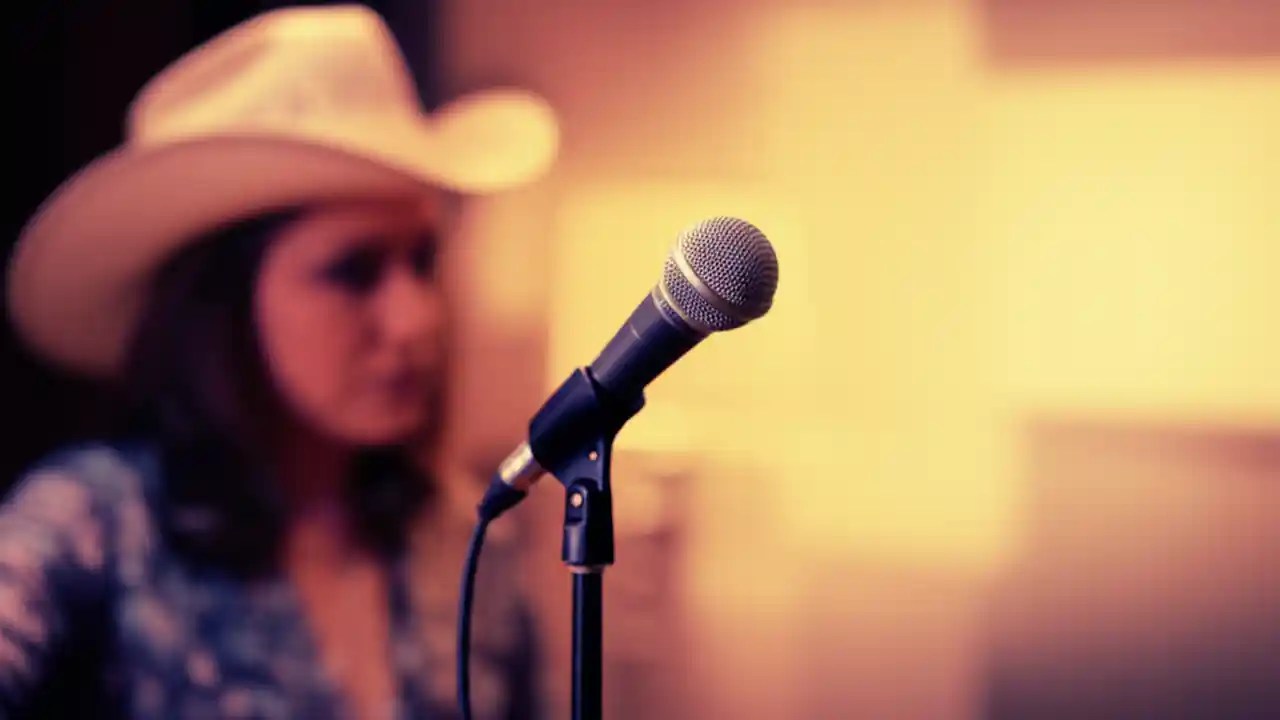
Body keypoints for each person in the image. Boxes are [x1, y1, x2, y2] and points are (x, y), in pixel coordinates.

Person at [0, 5, 557, 719]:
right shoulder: (96, 523)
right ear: (225, 303)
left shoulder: (470, 542)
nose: (416, 318)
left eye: (422, 262)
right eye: (353, 271)